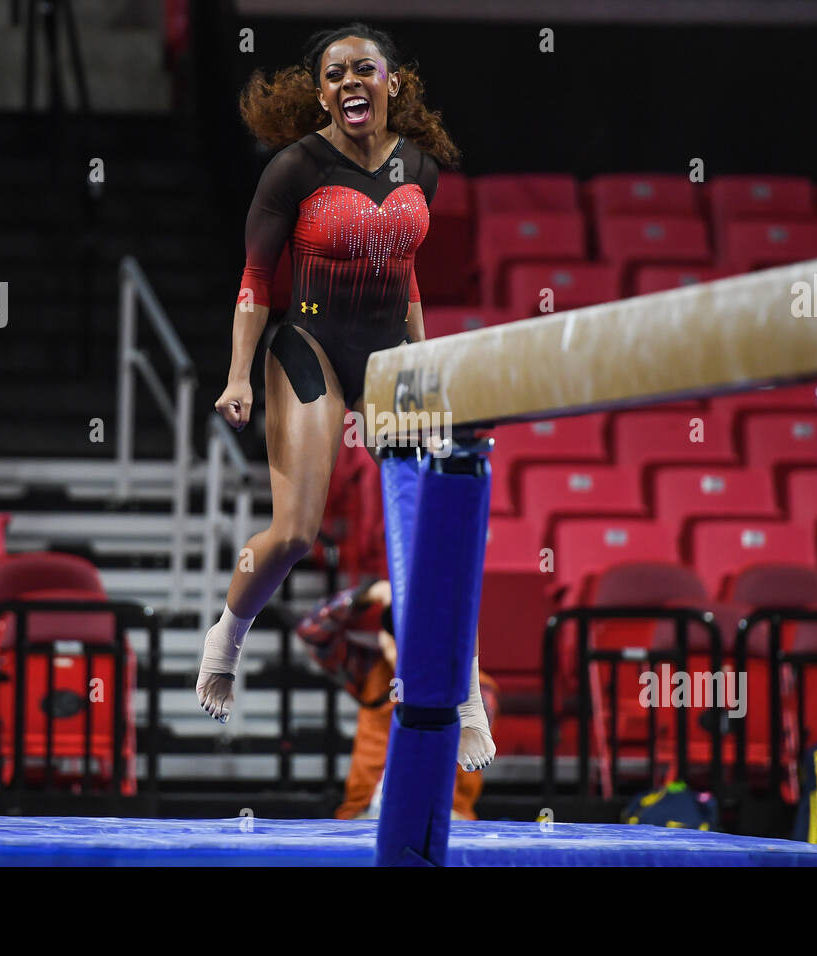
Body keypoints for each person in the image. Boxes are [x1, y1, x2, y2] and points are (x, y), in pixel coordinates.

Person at [199, 22, 495, 771]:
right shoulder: (293, 170)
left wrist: (425, 358)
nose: (350, 83)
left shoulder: (420, 169)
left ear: (393, 82)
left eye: (365, 70)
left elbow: (409, 271)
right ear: (321, 91)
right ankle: (227, 632)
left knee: (441, 534)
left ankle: (462, 692)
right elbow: (255, 281)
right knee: (296, 533)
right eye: (334, 75)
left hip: (393, 355)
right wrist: (237, 374)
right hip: (311, 349)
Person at [295, 578, 498, 819]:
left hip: (445, 817)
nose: (401, 645)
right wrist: (369, 592)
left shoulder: (479, 687)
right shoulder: (370, 669)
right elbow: (311, 632)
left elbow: (462, 734)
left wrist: (426, 672)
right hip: (364, 818)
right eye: (394, 633)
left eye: (412, 638)